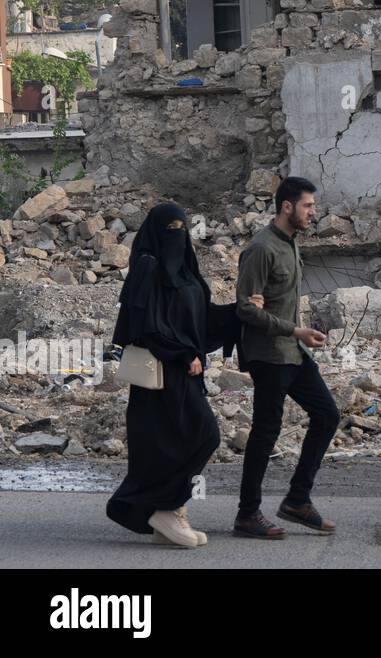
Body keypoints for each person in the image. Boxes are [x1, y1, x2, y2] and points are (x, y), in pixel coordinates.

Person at [107, 201, 259, 548]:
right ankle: (167, 509)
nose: (177, 234)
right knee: (203, 435)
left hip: (184, 372)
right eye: (170, 228)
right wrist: (183, 353)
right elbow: (143, 325)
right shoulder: (147, 267)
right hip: (161, 374)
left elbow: (201, 321)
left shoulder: (188, 270)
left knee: (183, 441)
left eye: (181, 227)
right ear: (156, 231)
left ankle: (169, 514)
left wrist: (240, 312)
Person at [234, 176, 339, 540]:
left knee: (327, 415)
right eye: (308, 206)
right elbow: (245, 310)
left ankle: (297, 500)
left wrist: (300, 332)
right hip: (267, 355)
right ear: (287, 207)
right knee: (266, 433)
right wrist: (295, 331)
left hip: (293, 352)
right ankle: (247, 515)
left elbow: (277, 303)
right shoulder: (261, 248)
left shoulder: (291, 243)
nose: (314, 212)